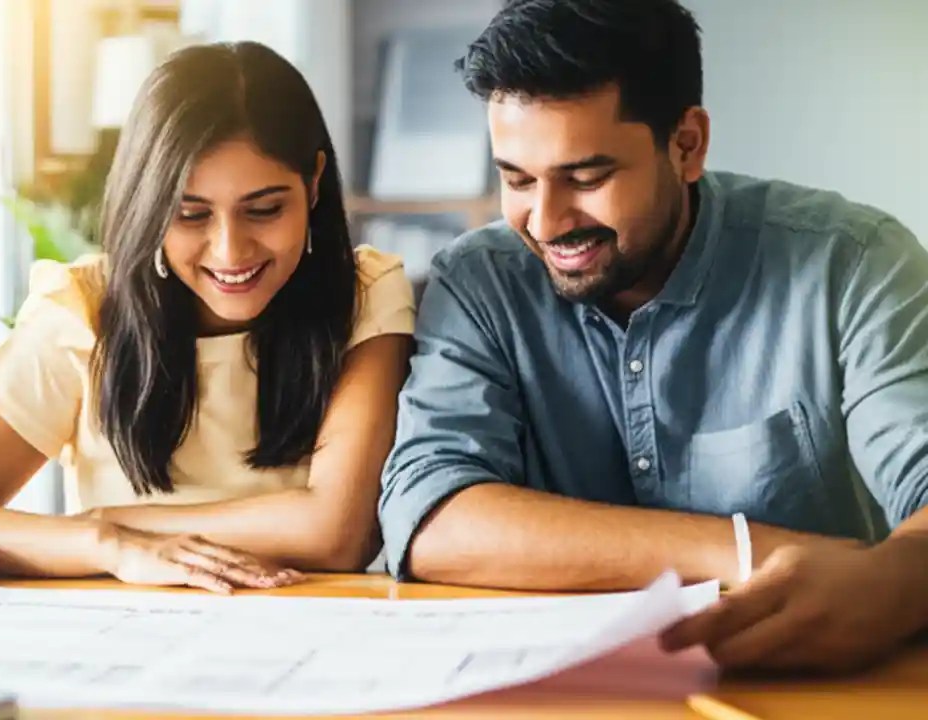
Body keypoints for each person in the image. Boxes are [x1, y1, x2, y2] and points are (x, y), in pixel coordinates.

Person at [379, 0, 928, 672]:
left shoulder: (853, 261)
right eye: (517, 179)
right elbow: (431, 516)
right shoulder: (480, 281)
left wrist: (898, 575)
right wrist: (748, 552)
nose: (546, 223)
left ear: (687, 144)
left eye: (587, 177)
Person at [0, 41, 414, 594]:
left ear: (313, 184)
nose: (230, 251)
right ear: (147, 200)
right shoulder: (85, 310)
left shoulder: (366, 294)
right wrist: (107, 546)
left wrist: (103, 521)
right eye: (190, 214)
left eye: (264, 210)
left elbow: (336, 531)